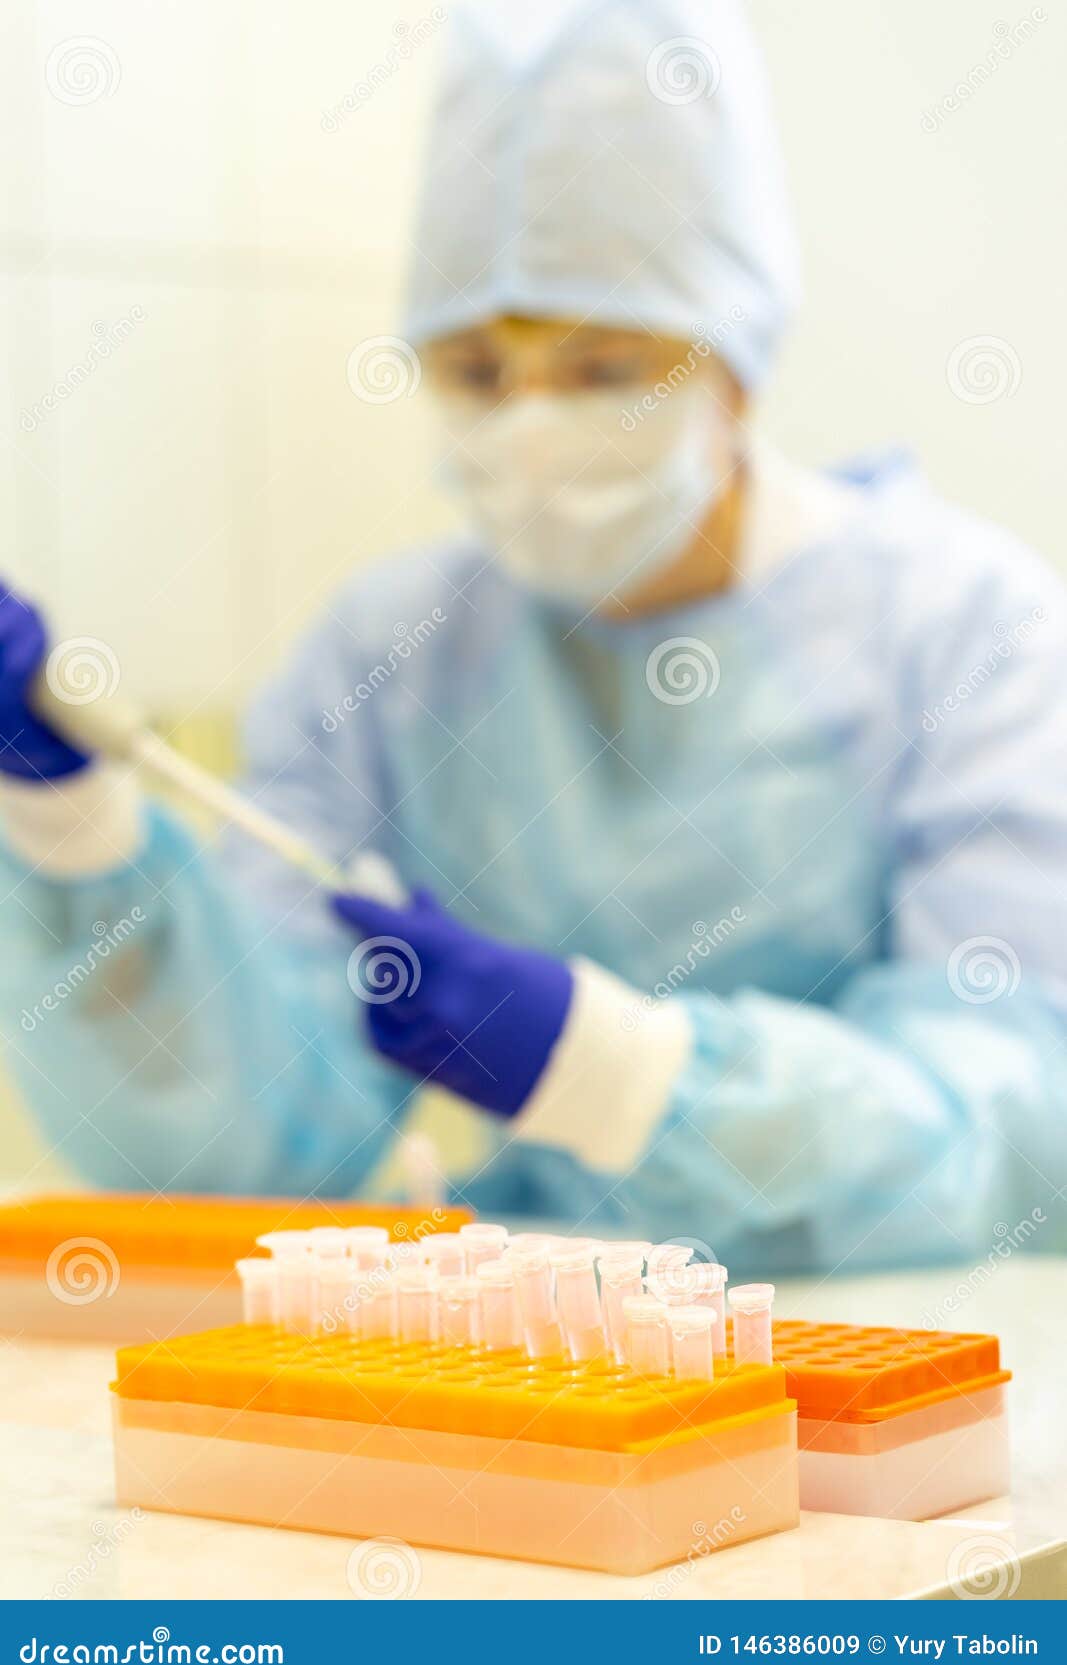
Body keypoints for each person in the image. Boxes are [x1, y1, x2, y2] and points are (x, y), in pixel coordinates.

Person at [2, 0, 1065, 1274]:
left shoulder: (965, 635)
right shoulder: (384, 657)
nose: (530, 424)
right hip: (546, 1357)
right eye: (473, 372)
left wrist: (610, 1071)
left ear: (735, 361)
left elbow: (1011, 1122)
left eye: (605, 366)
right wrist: (78, 833)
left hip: (914, 1377)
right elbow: (245, 1156)